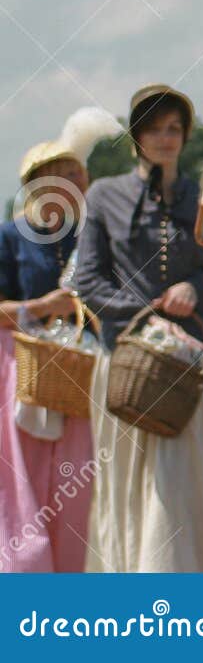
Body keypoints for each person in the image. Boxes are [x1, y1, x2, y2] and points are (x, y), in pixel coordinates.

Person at [74, 85, 203, 572]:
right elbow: (86, 281)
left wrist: (195, 285)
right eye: (154, 128)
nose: (165, 138)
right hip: (129, 365)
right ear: (136, 135)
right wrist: (143, 311)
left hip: (194, 367)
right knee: (133, 483)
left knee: (190, 480)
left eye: (174, 128)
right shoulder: (105, 196)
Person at [0, 142, 96, 573]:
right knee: (27, 484)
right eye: (59, 175)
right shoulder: (9, 237)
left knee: (78, 484)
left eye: (77, 175)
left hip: (80, 375)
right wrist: (41, 306)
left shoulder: (92, 236)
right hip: (25, 375)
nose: (72, 184)